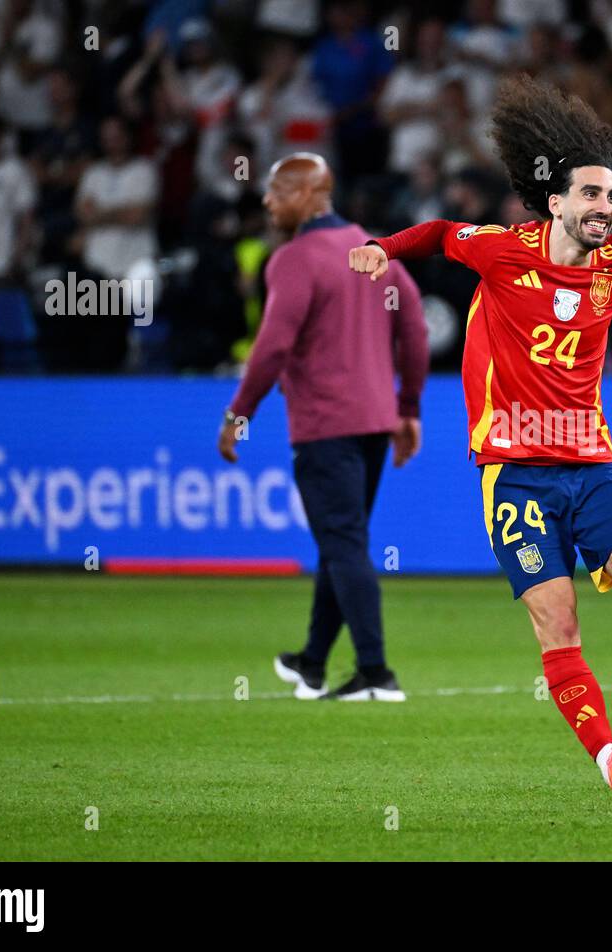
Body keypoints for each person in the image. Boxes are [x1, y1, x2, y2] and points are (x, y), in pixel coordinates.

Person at [347, 77, 612, 812]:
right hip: (516, 471)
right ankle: (609, 761)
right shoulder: (503, 252)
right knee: (556, 618)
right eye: (592, 196)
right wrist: (381, 248)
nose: (605, 209)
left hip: (592, 461)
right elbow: (439, 233)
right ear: (556, 201)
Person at [221, 153, 428, 701]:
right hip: (374, 423)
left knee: (342, 542)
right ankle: (311, 663)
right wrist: (407, 408)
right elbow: (415, 328)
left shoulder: (293, 259)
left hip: (323, 424)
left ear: (313, 194)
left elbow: (271, 348)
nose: (267, 201)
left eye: (279, 190)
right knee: (343, 543)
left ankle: (376, 674)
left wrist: (239, 412)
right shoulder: (376, 251)